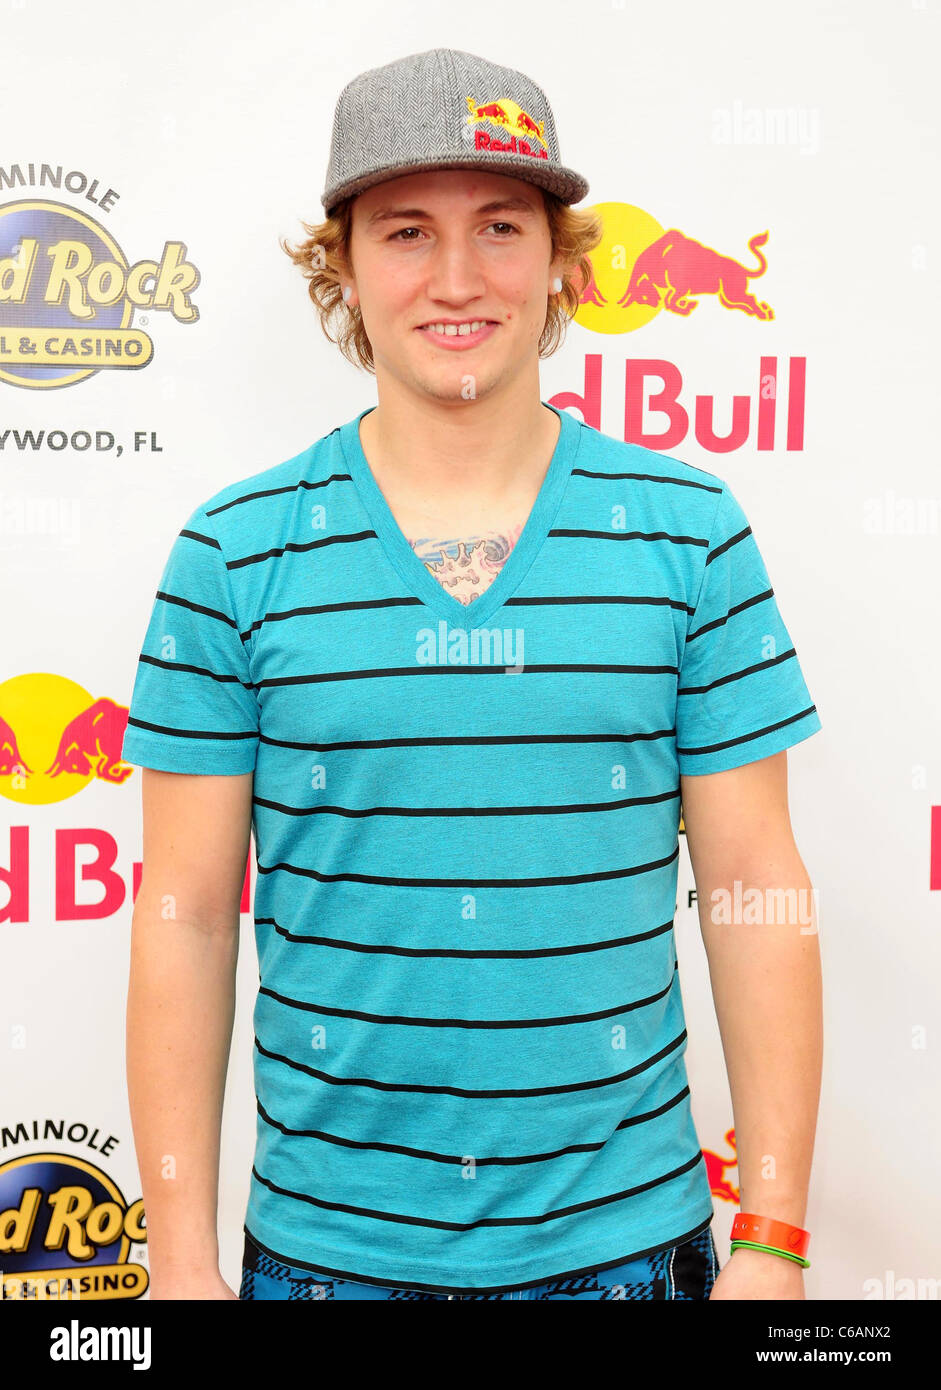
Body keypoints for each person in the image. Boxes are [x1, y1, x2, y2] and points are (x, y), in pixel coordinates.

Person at [122, 47, 823, 1302]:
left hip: (629, 1256)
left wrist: (771, 1240)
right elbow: (179, 919)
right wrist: (176, 1261)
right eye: (405, 231)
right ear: (340, 261)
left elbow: (753, 886)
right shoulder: (231, 553)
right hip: (322, 1262)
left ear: (560, 257)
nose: (456, 279)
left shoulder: (687, 530)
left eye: (499, 227)